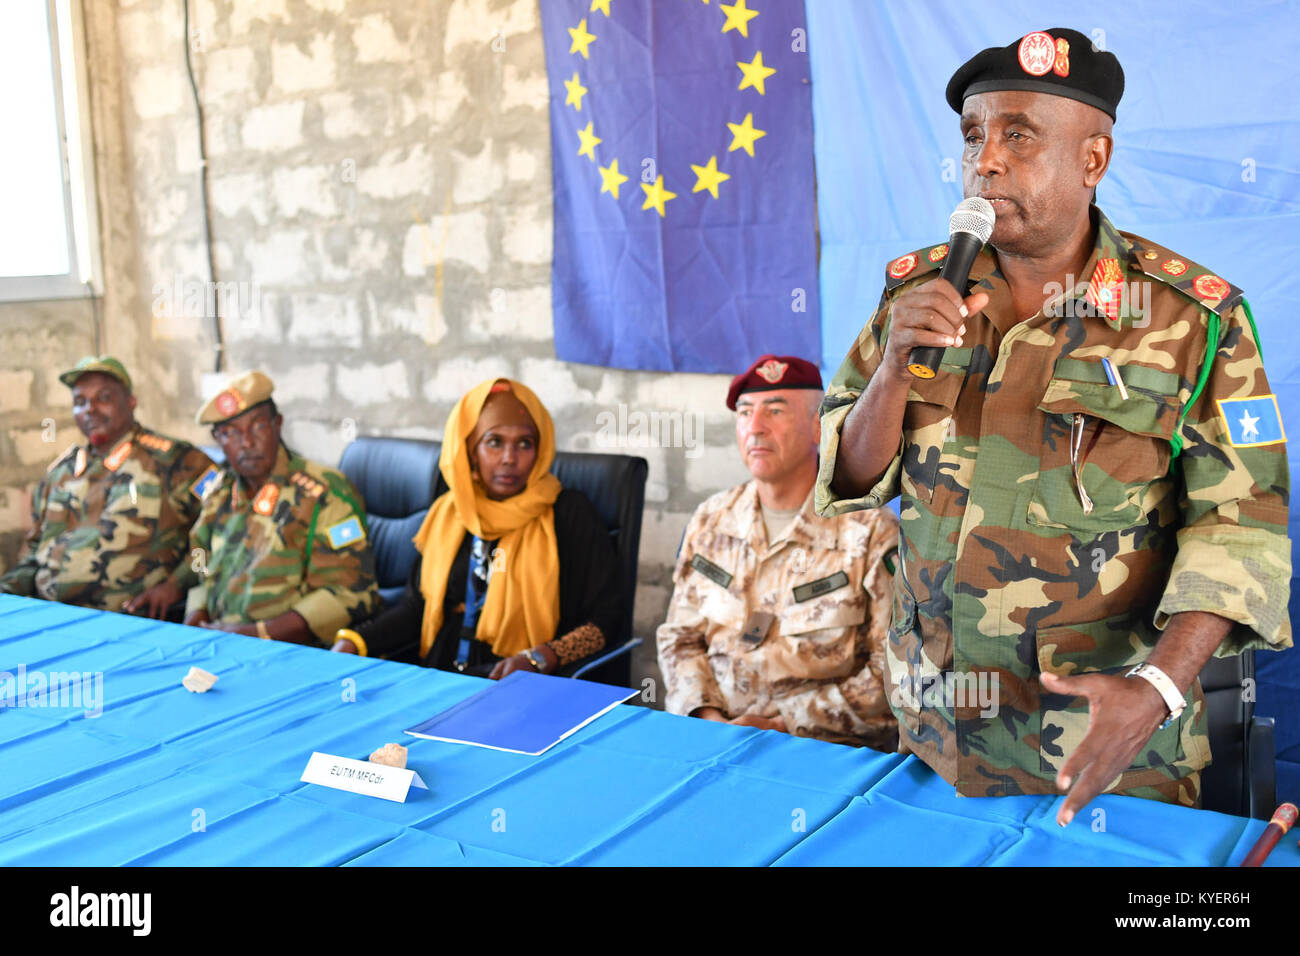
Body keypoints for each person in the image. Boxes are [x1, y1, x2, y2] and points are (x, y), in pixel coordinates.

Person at [816, 28, 1291, 823]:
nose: (985, 162)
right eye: (974, 137)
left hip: (1107, 749)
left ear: (1093, 159)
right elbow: (852, 476)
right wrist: (894, 370)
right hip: (937, 731)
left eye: (1019, 136)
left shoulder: (1191, 320)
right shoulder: (919, 293)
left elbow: (1242, 529)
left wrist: (1157, 688)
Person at [657, 355, 899, 750]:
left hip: (818, 750)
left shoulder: (869, 532)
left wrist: (785, 725)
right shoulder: (712, 519)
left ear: (818, 426)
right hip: (711, 738)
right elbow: (679, 638)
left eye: (775, 411)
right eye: (745, 412)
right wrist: (708, 719)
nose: (755, 427)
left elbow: (894, 673)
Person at [332, 378, 624, 679]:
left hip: (522, 678)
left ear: (540, 451)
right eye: (494, 442)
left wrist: (541, 657)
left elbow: (605, 621)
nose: (509, 458)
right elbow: (417, 608)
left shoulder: (568, 513)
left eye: (524, 444)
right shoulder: (450, 513)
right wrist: (355, 641)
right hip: (441, 674)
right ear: (472, 450)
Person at [126, 371, 379, 645]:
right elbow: (199, 556)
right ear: (217, 438)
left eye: (257, 427)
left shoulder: (323, 492)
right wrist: (196, 610)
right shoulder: (218, 490)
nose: (246, 443)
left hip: (292, 648)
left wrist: (261, 633)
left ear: (277, 424)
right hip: (219, 639)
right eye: (230, 433)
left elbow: (348, 592)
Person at [1, 356, 214, 612]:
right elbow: (36, 552)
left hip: (131, 618)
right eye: (80, 402)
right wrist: (7, 592)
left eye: (103, 398)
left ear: (131, 402)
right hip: (51, 616)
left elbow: (224, 529)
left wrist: (176, 585)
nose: (89, 409)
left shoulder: (179, 461)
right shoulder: (59, 473)